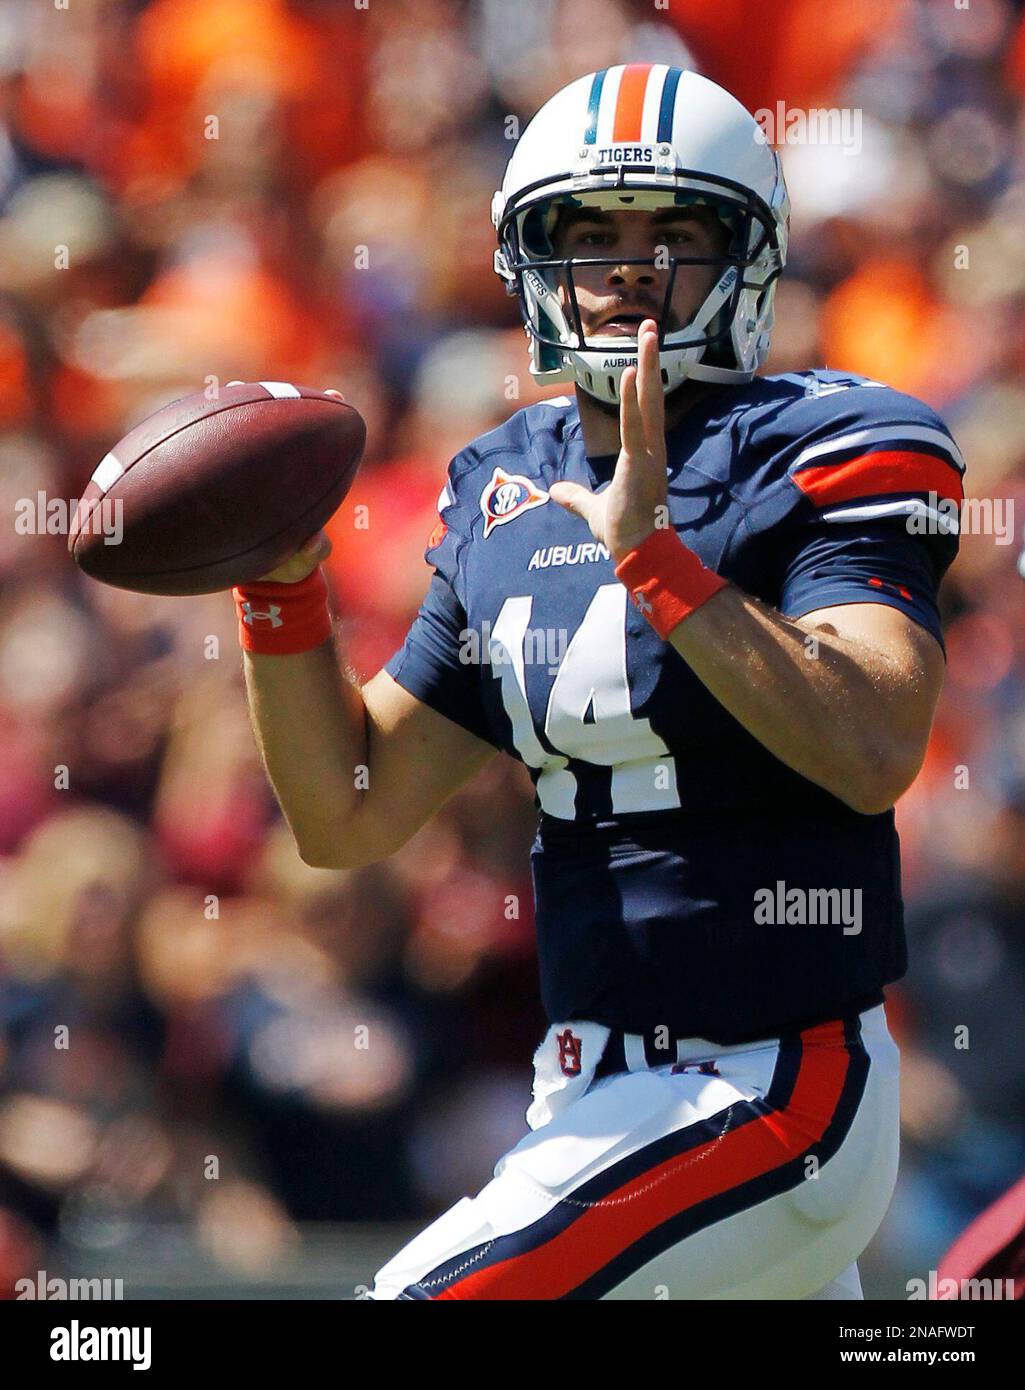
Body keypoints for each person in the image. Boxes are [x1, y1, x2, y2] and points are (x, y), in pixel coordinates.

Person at [231, 66, 964, 1299]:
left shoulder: (825, 441)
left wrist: (658, 564)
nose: (628, 266)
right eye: (589, 234)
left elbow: (870, 741)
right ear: (531, 260)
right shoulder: (504, 480)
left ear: (744, 253)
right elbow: (346, 808)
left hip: (766, 1081)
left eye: (672, 230)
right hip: (583, 1090)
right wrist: (277, 588)